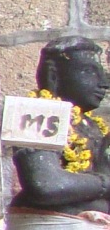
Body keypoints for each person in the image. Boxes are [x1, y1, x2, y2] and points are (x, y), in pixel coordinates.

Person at [14, 36, 110, 214]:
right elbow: (46, 185)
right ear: (53, 76)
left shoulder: (93, 125)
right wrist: (104, 183)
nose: (103, 83)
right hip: (55, 229)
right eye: (89, 72)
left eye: (101, 72)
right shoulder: (37, 113)